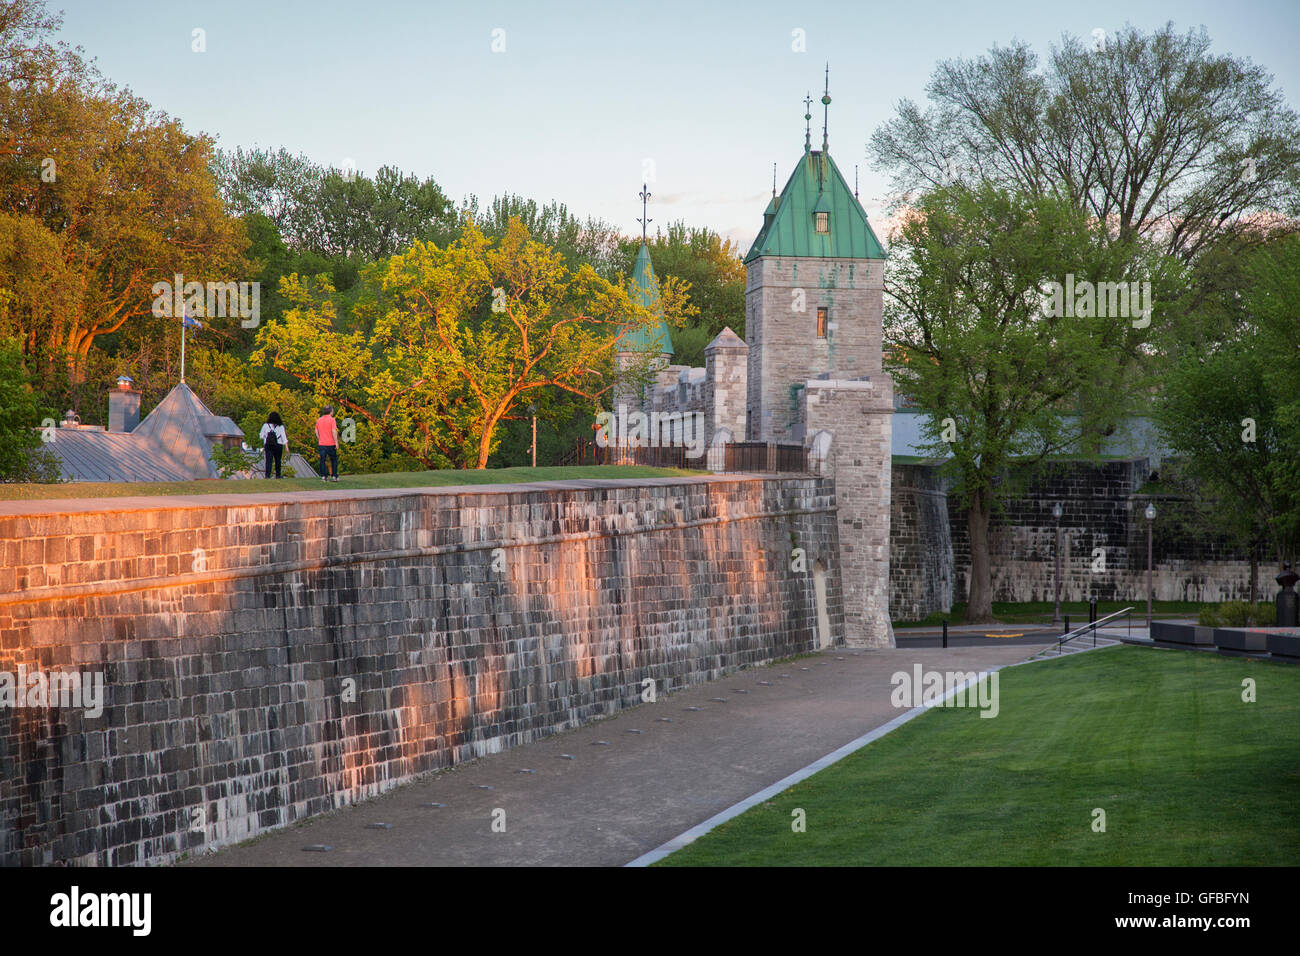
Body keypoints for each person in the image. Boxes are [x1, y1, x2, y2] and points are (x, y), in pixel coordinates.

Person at [258, 411, 288, 479]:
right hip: (278, 445)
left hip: (268, 445)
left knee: (268, 460)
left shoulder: (265, 425)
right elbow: (284, 437)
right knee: (278, 461)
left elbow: (261, 436)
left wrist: (266, 436)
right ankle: (278, 475)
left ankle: (267, 475)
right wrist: (286, 447)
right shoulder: (280, 426)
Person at [315, 405, 340, 481]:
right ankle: (334, 476)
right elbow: (333, 431)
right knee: (334, 459)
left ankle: (324, 476)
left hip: (322, 443)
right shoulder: (332, 420)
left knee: (323, 460)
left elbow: (316, 431)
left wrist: (319, 438)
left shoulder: (319, 420)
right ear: (331, 411)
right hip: (330, 443)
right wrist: (336, 442)